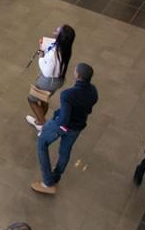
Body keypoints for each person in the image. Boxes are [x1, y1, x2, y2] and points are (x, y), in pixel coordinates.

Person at [32, 63, 98, 195]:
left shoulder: (67, 95)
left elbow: (63, 119)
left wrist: (56, 119)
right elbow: (89, 109)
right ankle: (56, 176)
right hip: (77, 127)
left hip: (62, 126)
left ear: (78, 75)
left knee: (42, 144)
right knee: (65, 151)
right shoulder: (93, 91)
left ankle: (47, 182)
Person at [26, 25, 75, 131]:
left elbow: (47, 72)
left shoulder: (54, 54)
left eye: (58, 30)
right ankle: (39, 120)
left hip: (48, 81)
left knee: (31, 99)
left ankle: (43, 124)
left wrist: (41, 56)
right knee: (44, 99)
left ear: (60, 36)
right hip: (58, 80)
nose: (56, 29)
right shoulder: (66, 48)